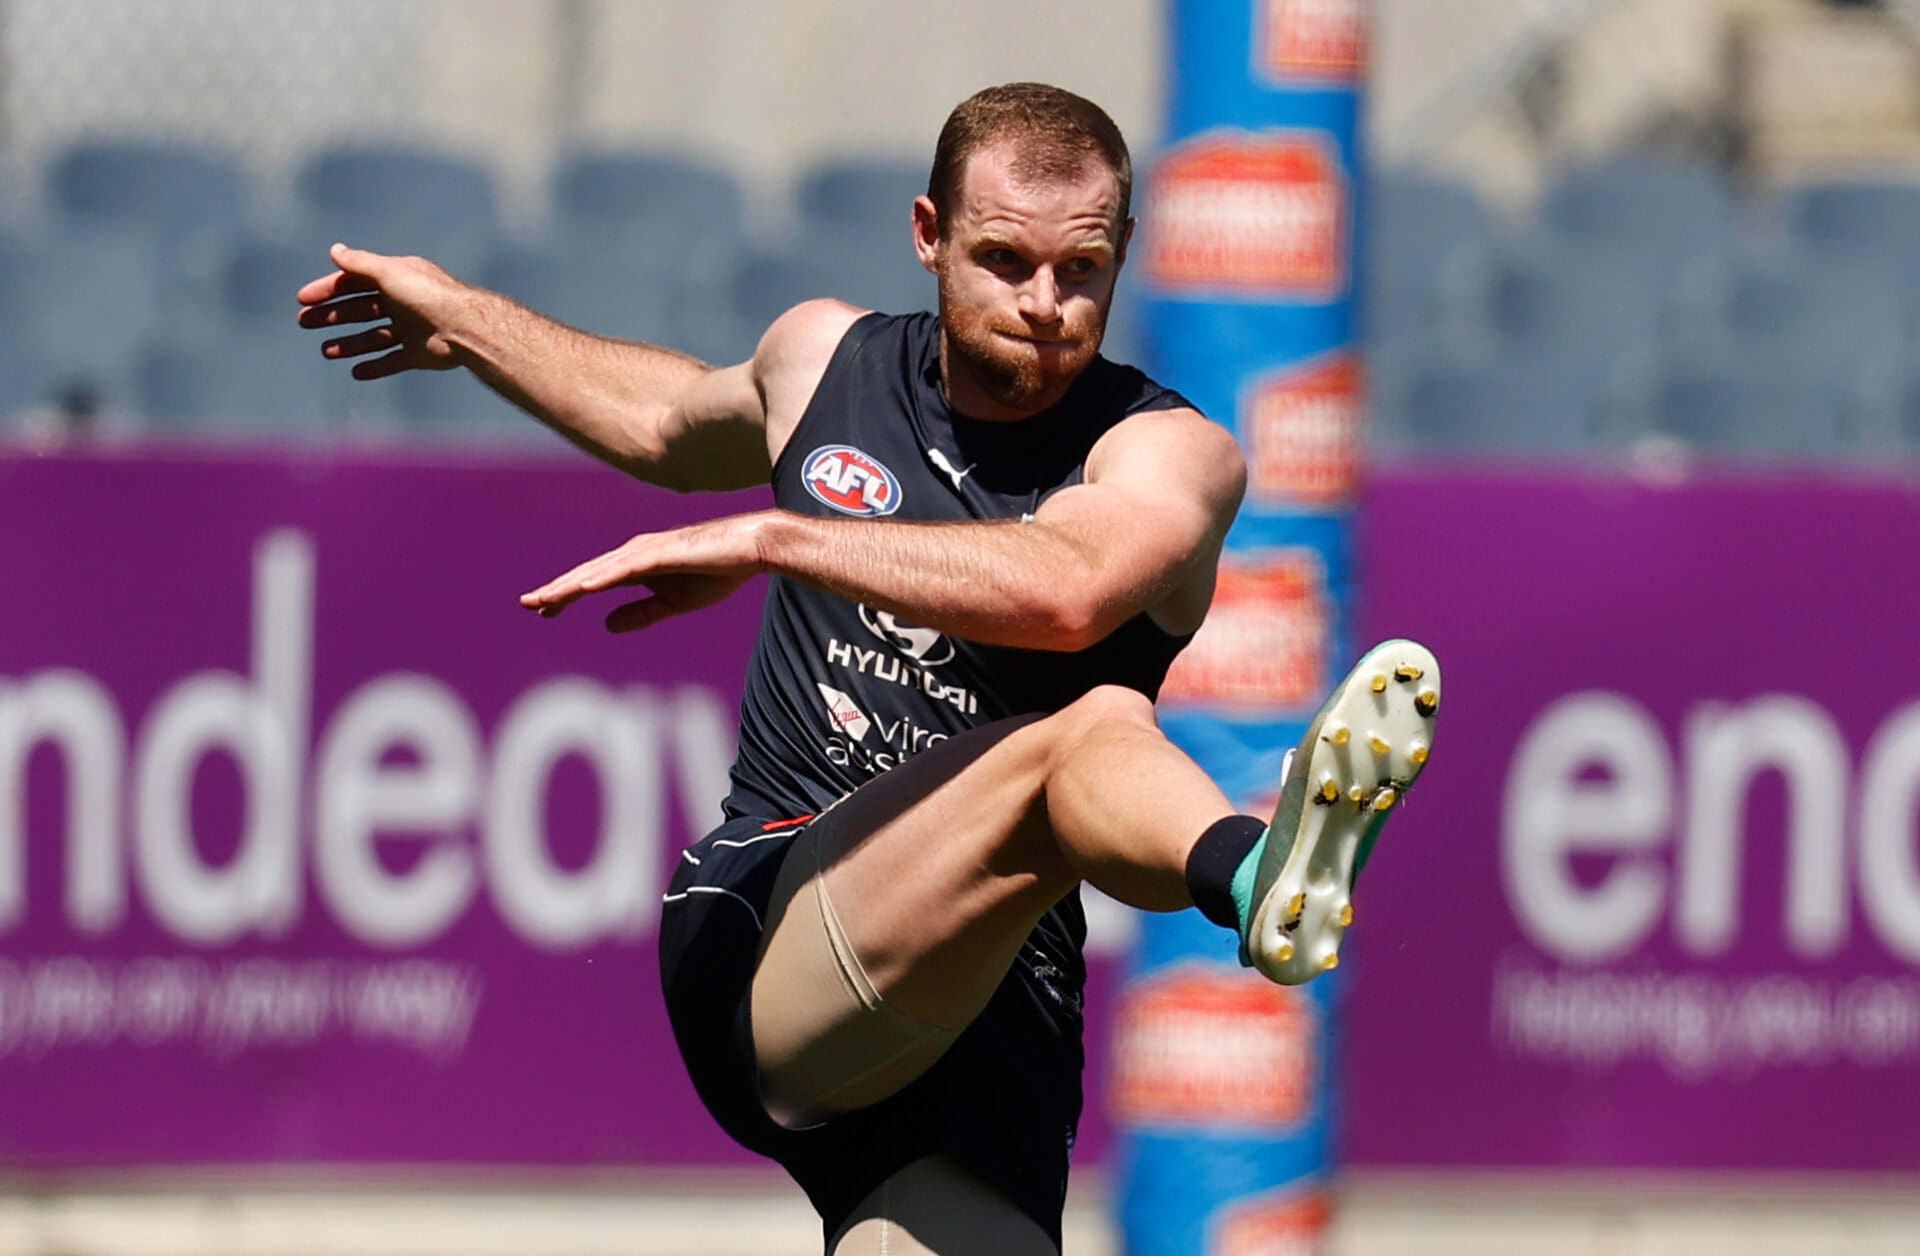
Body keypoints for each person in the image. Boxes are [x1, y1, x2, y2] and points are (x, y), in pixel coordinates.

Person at [298, 82, 1440, 1256]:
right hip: (776, 918)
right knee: (1089, 725)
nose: (1045, 304)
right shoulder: (823, 361)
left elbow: (1067, 588)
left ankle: (1271, 872)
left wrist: (776, 533)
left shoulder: (1172, 453)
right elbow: (664, 422)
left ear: (1124, 256)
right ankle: (1259, 874)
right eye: (1003, 259)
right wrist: (468, 324)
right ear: (928, 235)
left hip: (988, 997)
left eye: (1081, 268)